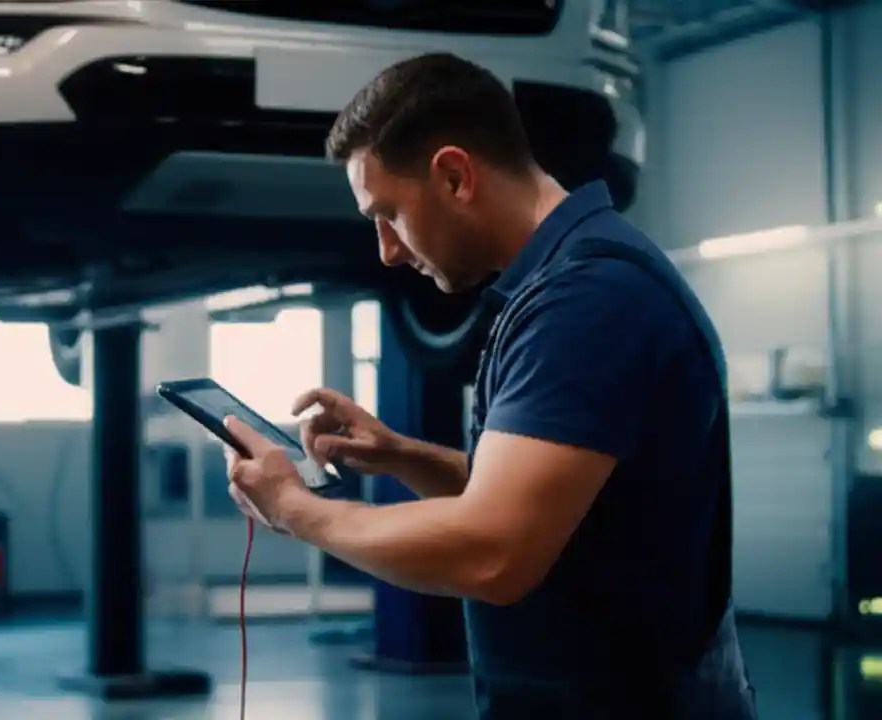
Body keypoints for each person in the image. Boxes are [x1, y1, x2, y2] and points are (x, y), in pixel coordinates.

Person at [222, 53, 758, 719]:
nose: (386, 249)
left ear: (453, 175)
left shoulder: (589, 298)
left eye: (387, 213)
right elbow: (556, 504)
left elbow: (494, 553)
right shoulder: (569, 280)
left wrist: (295, 509)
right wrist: (400, 455)